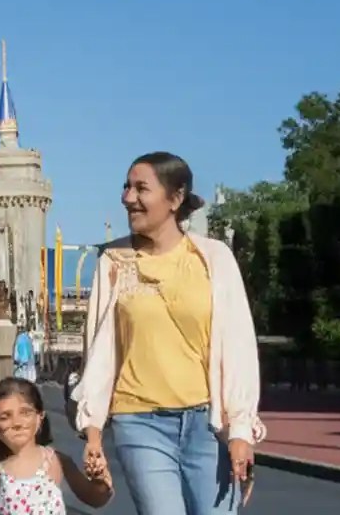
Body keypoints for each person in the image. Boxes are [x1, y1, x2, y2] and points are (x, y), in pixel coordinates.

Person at [71, 152, 264, 514]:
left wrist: (240, 429)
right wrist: (93, 427)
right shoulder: (113, 261)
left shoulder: (213, 258)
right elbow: (100, 352)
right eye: (126, 187)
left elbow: (238, 346)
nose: (128, 197)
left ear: (175, 199)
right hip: (138, 421)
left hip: (206, 424)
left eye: (141, 188)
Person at [0, 377, 113, 514]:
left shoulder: (56, 461)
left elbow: (93, 498)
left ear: (39, 418)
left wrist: (101, 480)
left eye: (25, 413)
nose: (17, 423)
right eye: (5, 417)